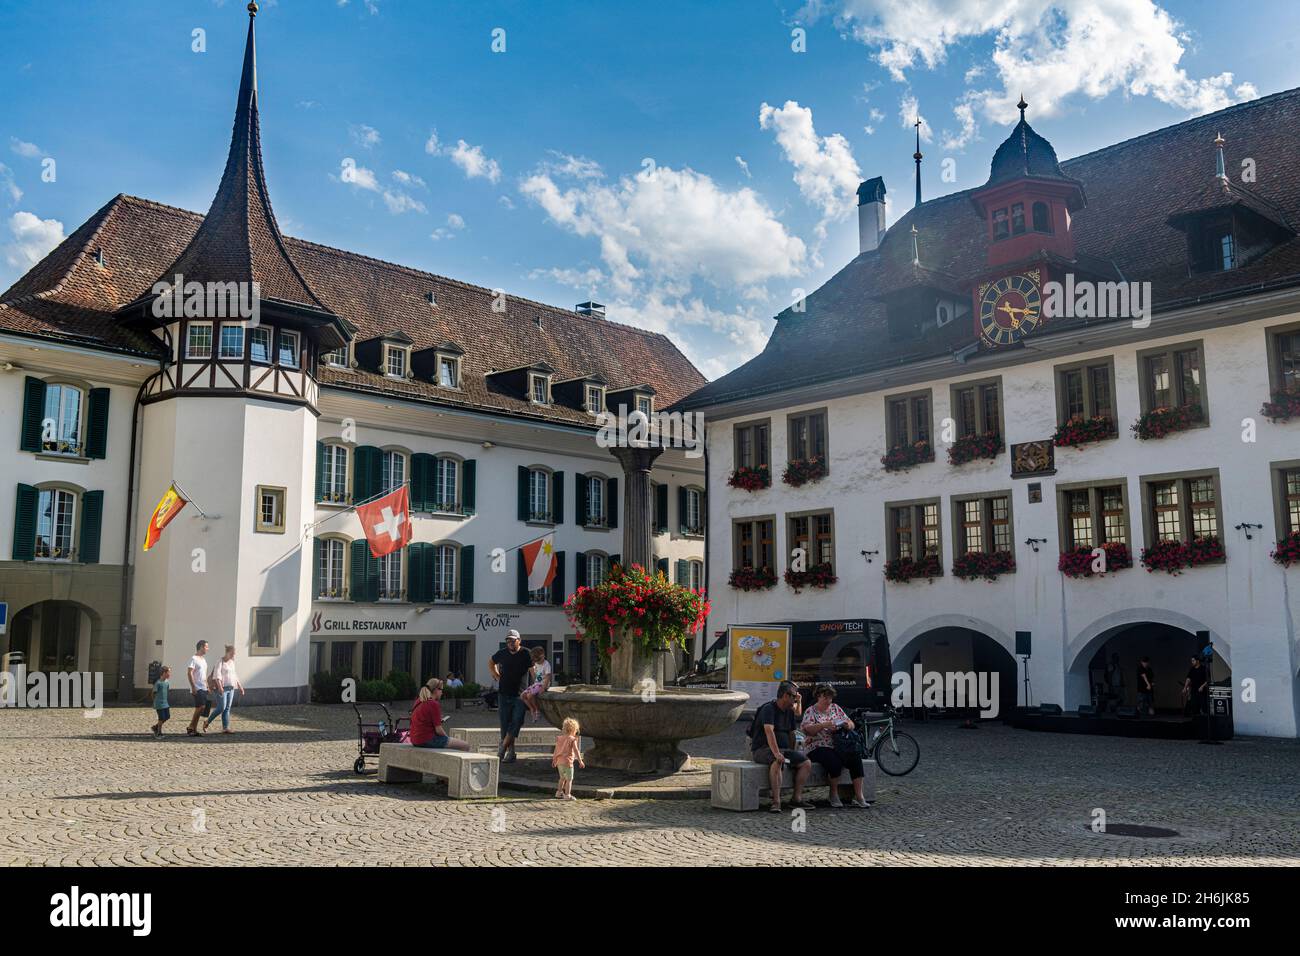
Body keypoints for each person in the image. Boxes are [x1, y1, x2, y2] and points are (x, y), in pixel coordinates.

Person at [799, 684, 869, 808]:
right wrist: (823, 725)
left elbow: (851, 723)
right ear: (818, 696)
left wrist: (847, 725)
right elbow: (807, 729)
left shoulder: (835, 708)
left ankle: (859, 796)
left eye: (830, 698)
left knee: (855, 758)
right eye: (826, 698)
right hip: (818, 745)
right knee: (834, 761)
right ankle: (833, 794)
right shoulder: (811, 711)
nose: (829, 701)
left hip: (839, 744)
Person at [751, 680, 812, 813]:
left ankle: (796, 798)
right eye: (794, 697)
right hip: (762, 749)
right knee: (777, 760)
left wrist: (793, 751)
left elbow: (791, 733)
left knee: (806, 763)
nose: (795, 700)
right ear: (785, 695)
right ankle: (776, 801)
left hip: (784, 749)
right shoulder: (769, 709)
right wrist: (777, 753)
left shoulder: (789, 711)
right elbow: (769, 731)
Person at [489, 630, 533, 762]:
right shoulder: (501, 653)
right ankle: (511, 752)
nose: (510, 643)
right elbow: (491, 662)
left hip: (520, 695)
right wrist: (496, 675)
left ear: (519, 640)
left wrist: (537, 687)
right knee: (505, 724)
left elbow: (533, 671)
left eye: (513, 640)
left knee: (517, 722)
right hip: (503, 694)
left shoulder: (526, 653)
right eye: (508, 641)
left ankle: (502, 748)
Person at [409, 679, 470, 750]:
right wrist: (447, 738)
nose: (442, 693)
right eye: (441, 690)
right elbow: (438, 730)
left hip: (415, 740)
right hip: (427, 739)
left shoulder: (419, 701)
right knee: (466, 745)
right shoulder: (433, 704)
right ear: (435, 690)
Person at [204, 645, 245, 734]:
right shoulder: (220, 661)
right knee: (221, 707)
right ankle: (207, 722)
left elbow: (235, 675)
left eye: (234, 654)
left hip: (231, 687)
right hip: (222, 688)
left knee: (227, 708)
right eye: (232, 654)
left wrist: (240, 687)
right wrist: (220, 687)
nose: (233, 656)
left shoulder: (232, 662)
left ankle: (225, 727)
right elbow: (216, 675)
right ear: (228, 652)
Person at [551, 717, 584, 800]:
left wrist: (554, 759)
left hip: (559, 762)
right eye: (576, 730)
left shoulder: (559, 738)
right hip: (568, 762)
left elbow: (556, 750)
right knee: (569, 780)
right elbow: (576, 751)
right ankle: (567, 795)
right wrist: (580, 761)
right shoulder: (572, 739)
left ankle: (558, 793)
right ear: (573, 729)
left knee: (562, 778)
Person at [521, 646, 553, 723]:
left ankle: (537, 710)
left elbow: (548, 676)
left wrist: (544, 687)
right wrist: (532, 671)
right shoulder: (535, 663)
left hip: (542, 684)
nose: (537, 662)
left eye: (538, 660)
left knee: (529, 695)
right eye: (536, 661)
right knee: (522, 696)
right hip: (537, 684)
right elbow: (535, 676)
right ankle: (532, 708)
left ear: (543, 656)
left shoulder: (546, 664)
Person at [186, 640, 210, 737]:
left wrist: (207, 685)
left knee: (201, 708)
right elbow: (189, 672)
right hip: (197, 687)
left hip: (203, 687)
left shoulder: (203, 659)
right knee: (200, 707)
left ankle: (193, 728)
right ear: (201, 647)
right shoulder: (194, 658)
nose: (208, 649)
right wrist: (193, 687)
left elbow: (203, 674)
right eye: (206, 647)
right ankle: (191, 727)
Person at [151, 665, 171, 737]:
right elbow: (153, 693)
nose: (170, 674)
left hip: (165, 703)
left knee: (167, 716)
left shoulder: (167, 682)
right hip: (159, 704)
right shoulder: (158, 683)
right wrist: (155, 702)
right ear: (164, 673)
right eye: (168, 672)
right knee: (161, 717)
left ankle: (155, 727)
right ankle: (159, 732)